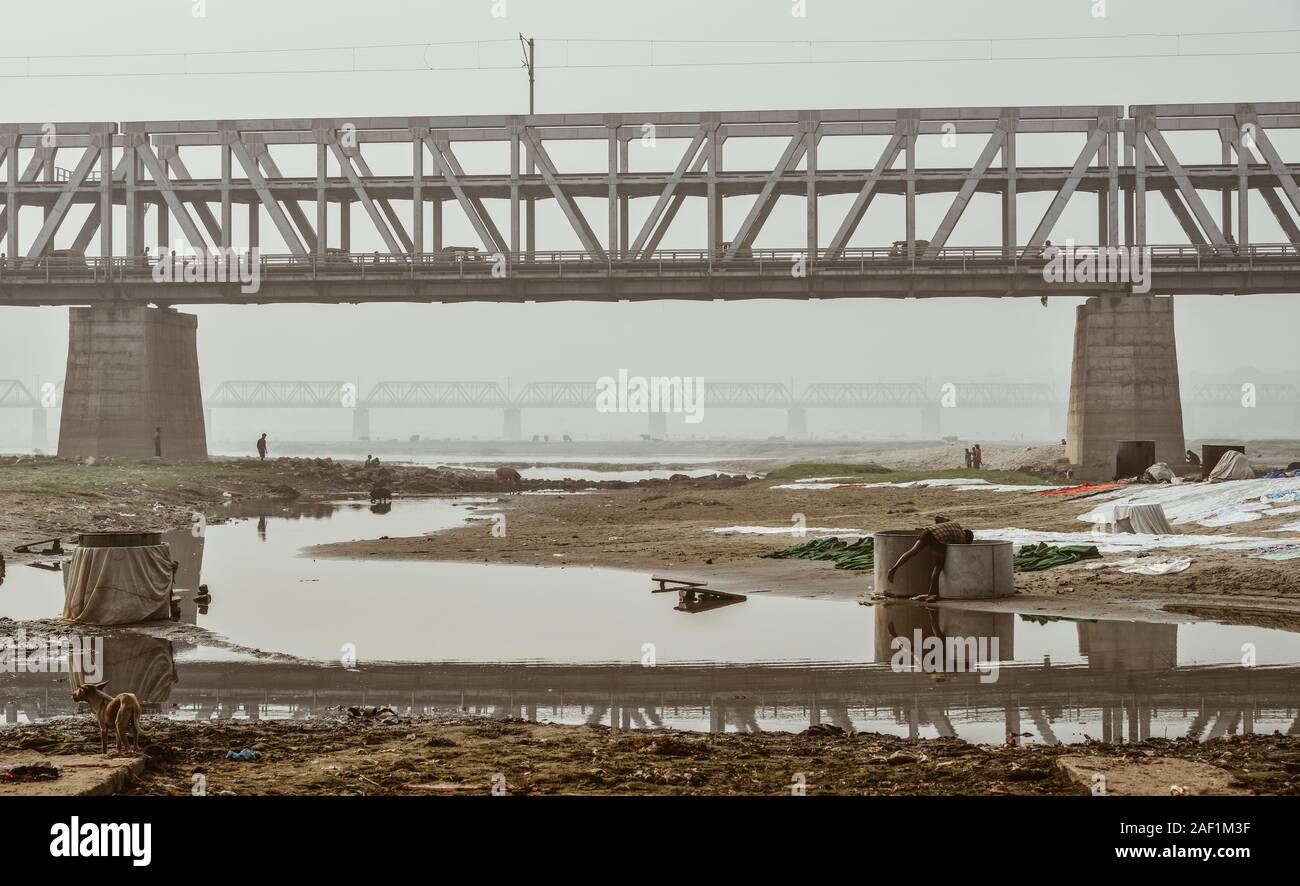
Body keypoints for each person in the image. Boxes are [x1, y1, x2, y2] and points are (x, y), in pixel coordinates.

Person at [887, 517, 975, 596]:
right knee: (938, 567)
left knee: (912, 552)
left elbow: (938, 518)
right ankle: (931, 594)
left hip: (928, 531)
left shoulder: (955, 524)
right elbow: (959, 552)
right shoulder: (962, 537)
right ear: (967, 538)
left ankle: (893, 569)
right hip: (938, 538)